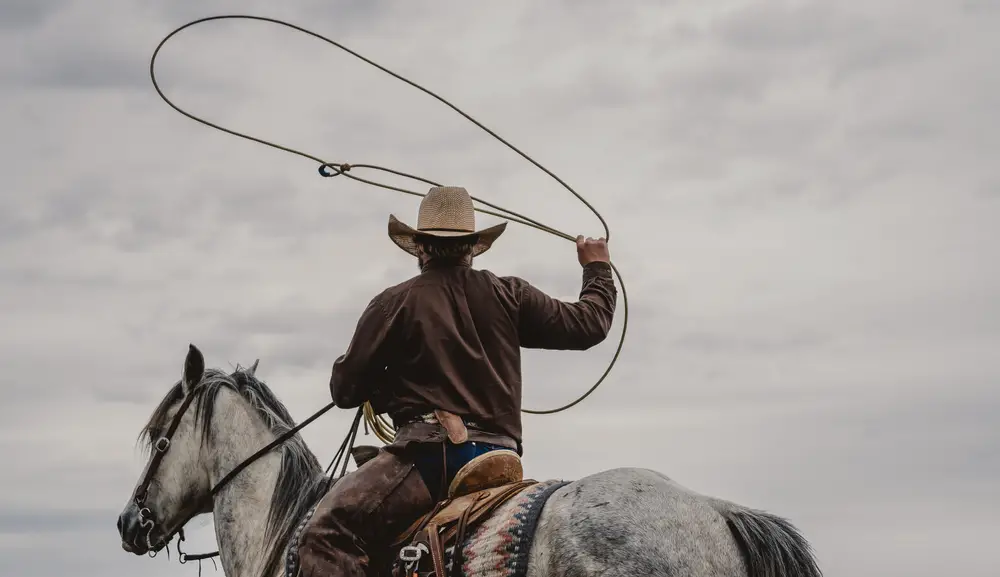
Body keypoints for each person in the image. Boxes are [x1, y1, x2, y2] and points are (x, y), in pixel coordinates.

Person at [297, 186, 617, 577]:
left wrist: (381, 386)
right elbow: (589, 324)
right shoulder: (510, 294)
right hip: (500, 455)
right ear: (471, 247)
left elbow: (344, 391)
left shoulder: (394, 303)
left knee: (326, 532)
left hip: (430, 459)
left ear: (420, 248)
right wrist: (597, 267)